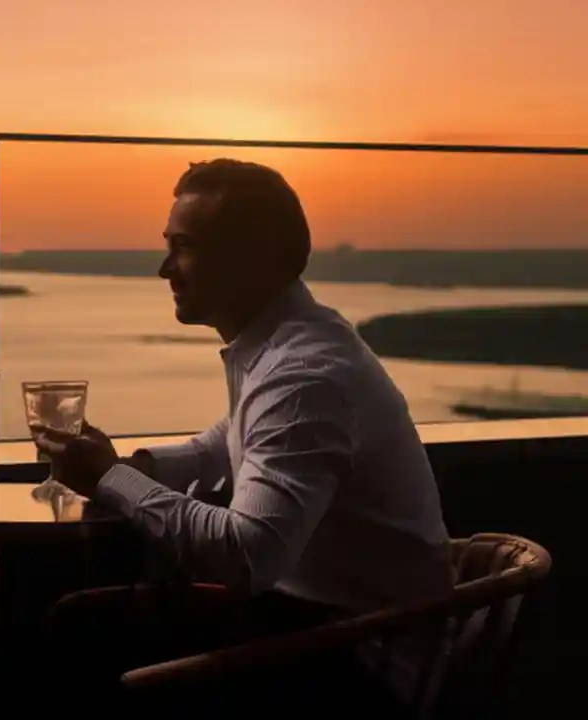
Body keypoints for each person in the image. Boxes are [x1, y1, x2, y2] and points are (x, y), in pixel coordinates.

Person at [35, 159, 452, 713]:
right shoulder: (289, 345)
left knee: (85, 630)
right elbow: (222, 444)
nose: (165, 269)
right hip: (319, 623)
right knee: (89, 614)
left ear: (252, 260)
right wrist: (134, 467)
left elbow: (246, 557)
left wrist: (112, 479)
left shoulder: (304, 376)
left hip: (360, 662)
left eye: (184, 248)